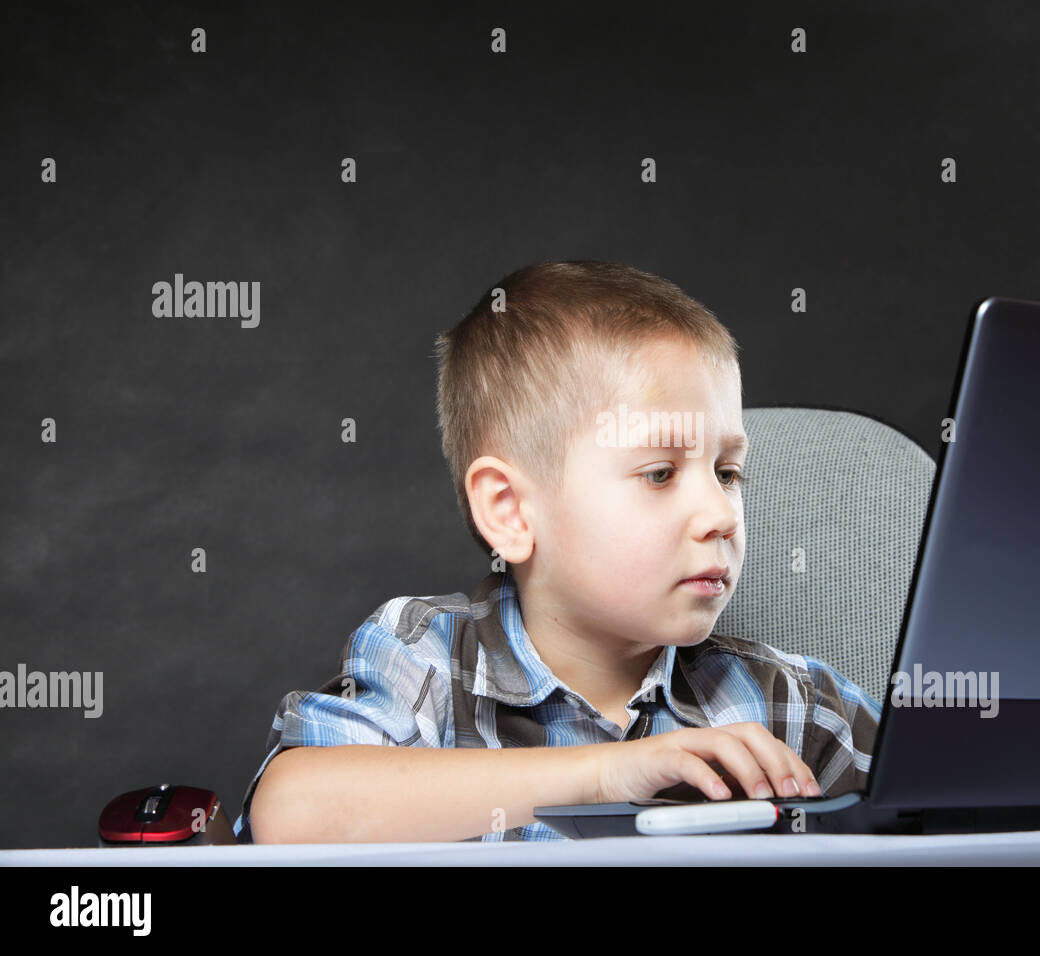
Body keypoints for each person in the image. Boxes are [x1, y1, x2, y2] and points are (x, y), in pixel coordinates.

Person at [236, 259, 880, 843]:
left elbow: (959, 809)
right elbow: (291, 814)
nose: (719, 515)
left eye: (728, 472)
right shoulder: (426, 663)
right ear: (510, 511)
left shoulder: (788, 706)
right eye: (659, 473)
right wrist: (604, 775)